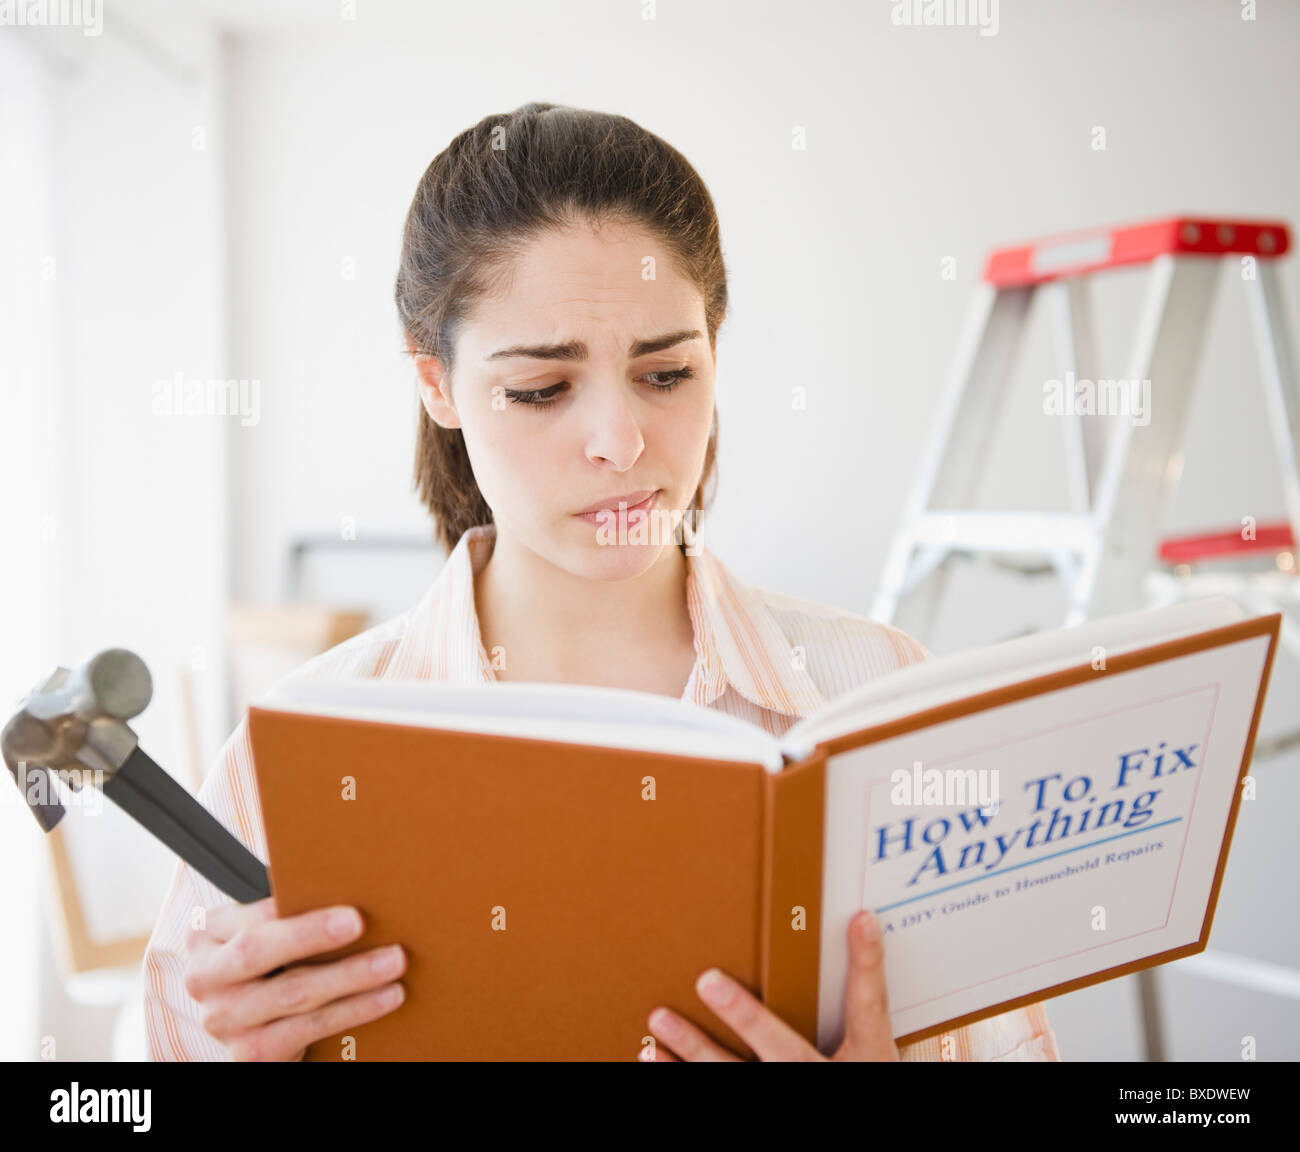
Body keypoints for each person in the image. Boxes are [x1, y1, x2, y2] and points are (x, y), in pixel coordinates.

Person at [142, 102, 1060, 1062]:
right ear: (437, 385)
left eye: (667, 375)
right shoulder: (299, 752)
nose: (622, 443)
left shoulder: (881, 695)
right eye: (541, 390)